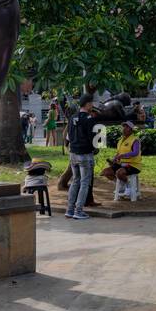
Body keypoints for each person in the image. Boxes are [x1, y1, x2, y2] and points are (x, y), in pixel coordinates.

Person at [63, 93, 98, 221]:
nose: (92, 105)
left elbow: (68, 137)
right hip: (85, 155)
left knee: (75, 181)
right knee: (84, 183)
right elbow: (93, 138)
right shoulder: (89, 119)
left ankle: (69, 210)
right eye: (91, 103)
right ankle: (79, 211)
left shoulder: (72, 118)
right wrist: (96, 148)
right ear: (88, 104)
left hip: (73, 154)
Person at [103, 120, 143, 199]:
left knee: (119, 173)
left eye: (126, 127)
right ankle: (123, 186)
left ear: (131, 130)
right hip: (122, 164)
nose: (124, 129)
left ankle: (128, 187)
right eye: (123, 127)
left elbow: (135, 153)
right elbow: (118, 153)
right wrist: (114, 159)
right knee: (106, 172)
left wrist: (122, 156)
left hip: (133, 165)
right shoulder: (120, 140)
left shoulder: (135, 140)